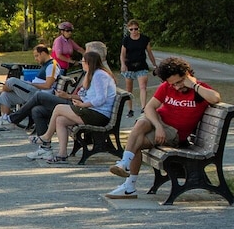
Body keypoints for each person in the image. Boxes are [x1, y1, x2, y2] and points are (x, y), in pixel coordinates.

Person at [105, 56, 221, 199]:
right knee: (141, 123)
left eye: (179, 82)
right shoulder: (167, 87)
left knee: (137, 143)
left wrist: (194, 85)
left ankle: (129, 186)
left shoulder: (199, 89)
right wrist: (158, 126)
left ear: (187, 74)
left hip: (173, 132)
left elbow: (215, 98)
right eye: (173, 84)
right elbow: (149, 107)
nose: (177, 87)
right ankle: (124, 164)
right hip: (157, 122)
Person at [35, 51, 118, 163]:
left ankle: (46, 137)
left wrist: (83, 105)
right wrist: (73, 98)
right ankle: (62, 154)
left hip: (99, 115)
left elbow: (100, 99)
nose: (81, 63)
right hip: (91, 111)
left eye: (83, 61)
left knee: (59, 108)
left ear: (89, 63)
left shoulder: (100, 75)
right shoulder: (92, 74)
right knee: (60, 120)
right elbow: (87, 96)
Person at [0, 45, 61, 130]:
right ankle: (5, 122)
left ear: (43, 53)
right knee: (5, 95)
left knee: (12, 81)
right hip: (33, 91)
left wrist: (32, 84)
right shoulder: (46, 65)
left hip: (39, 94)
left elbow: (48, 86)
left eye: (37, 56)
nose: (36, 59)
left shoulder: (52, 65)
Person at [120, 20, 157, 116]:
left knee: (143, 87)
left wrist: (154, 64)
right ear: (128, 30)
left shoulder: (144, 39)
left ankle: (143, 108)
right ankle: (130, 109)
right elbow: (123, 54)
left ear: (138, 28)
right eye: (131, 29)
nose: (134, 31)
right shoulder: (126, 40)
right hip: (129, 66)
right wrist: (123, 64)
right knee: (129, 89)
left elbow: (149, 52)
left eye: (135, 29)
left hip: (141, 66)